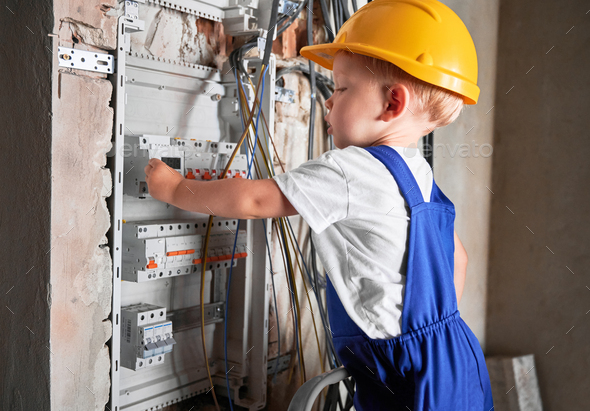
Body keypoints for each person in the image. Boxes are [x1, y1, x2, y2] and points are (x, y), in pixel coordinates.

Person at [144, 0, 494, 409]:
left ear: (392, 104)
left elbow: (256, 199)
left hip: (405, 375)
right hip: (455, 357)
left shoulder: (351, 170)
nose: (328, 100)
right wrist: (431, 329)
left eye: (342, 88)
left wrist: (174, 189)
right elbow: (459, 259)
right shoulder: (419, 175)